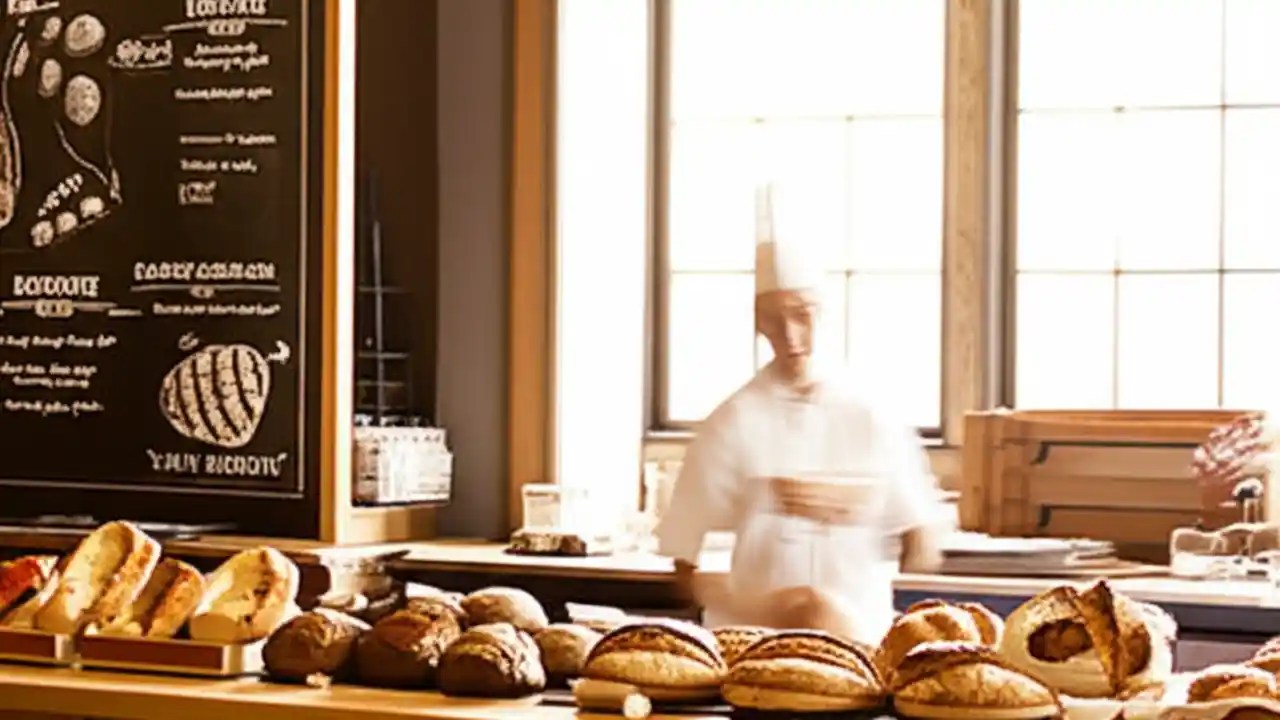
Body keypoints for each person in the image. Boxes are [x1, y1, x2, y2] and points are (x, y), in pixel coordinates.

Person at [653, 183, 950, 645]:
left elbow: (922, 542)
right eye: (773, 319)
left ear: (825, 313)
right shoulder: (734, 421)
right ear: (756, 322)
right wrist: (762, 602)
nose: (789, 334)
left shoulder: (872, 414)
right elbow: (685, 559)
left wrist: (848, 506)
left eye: (803, 315)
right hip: (757, 642)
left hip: (860, 640)